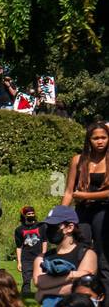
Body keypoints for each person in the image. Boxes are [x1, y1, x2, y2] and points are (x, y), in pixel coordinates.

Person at [33, 205, 98, 307]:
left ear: (69, 227)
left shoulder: (86, 253)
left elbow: (80, 289)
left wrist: (45, 292)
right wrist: (72, 276)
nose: (49, 230)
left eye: (53, 226)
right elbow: (39, 282)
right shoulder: (43, 257)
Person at [62, 122, 109, 287]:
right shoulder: (78, 160)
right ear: (89, 140)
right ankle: (81, 292)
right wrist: (60, 214)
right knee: (81, 250)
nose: (100, 141)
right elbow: (69, 191)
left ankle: (106, 298)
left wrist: (85, 195)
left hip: (104, 211)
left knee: (103, 254)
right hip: (82, 211)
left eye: (103, 137)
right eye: (95, 138)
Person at [14, 206, 43, 295]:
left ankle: (42, 294)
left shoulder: (41, 226)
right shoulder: (19, 230)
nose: (31, 215)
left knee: (40, 279)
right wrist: (19, 262)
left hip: (39, 256)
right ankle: (25, 295)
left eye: (32, 213)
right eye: (29, 214)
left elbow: (45, 241)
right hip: (26, 258)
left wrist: (44, 254)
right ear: (24, 216)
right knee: (26, 279)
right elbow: (19, 247)